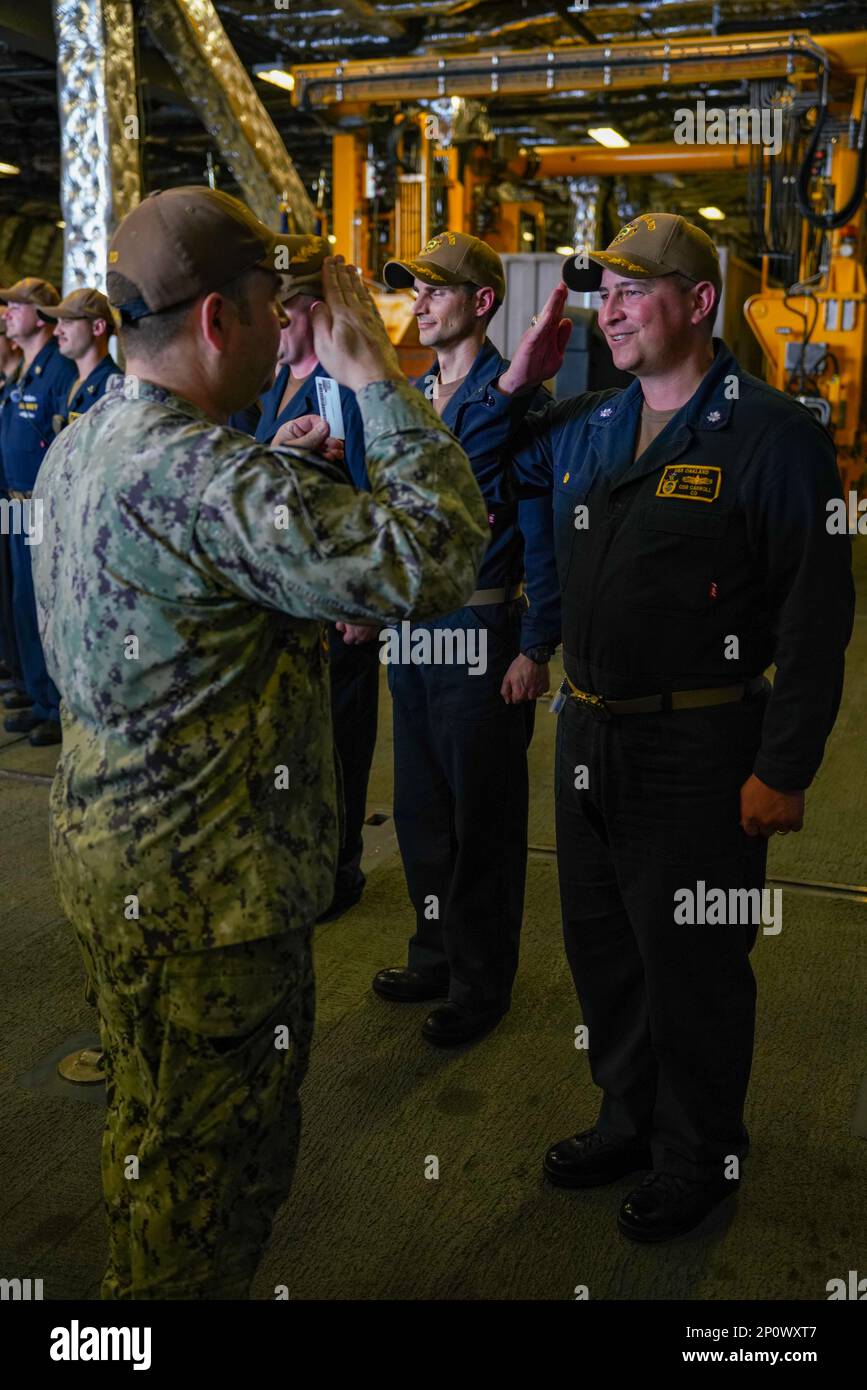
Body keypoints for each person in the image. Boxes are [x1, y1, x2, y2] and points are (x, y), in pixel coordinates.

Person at [30, 185, 489, 1299]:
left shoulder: (84, 448)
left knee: (149, 1131)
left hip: (108, 866)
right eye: (270, 310)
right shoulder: (217, 480)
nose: (289, 331)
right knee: (215, 1190)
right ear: (218, 323)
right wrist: (377, 376)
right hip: (212, 901)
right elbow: (436, 554)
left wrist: (281, 474)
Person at [478, 211, 855, 1240]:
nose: (615, 307)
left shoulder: (775, 437)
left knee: (691, 959)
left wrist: (785, 764)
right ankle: (629, 1116)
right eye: (608, 290)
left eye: (639, 288)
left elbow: (817, 617)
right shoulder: (585, 424)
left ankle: (703, 1151)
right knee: (605, 949)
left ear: (701, 302)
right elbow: (474, 479)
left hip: (699, 749)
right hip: (590, 735)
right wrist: (516, 380)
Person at [372, 231, 560, 1046]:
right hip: (413, 628)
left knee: (480, 816)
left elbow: (541, 529)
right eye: (415, 290)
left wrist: (537, 644)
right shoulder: (413, 396)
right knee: (420, 809)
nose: (419, 303)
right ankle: (435, 950)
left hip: (484, 626)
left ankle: (481, 982)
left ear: (482, 302)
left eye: (436, 291)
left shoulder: (522, 401)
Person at [256, 235, 377, 922]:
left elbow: (368, 494)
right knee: (300, 745)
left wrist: (363, 600)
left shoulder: (340, 389)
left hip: (335, 602)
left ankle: (339, 868)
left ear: (312, 310)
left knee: (338, 741)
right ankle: (307, 858)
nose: (273, 324)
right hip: (291, 600)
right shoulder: (278, 381)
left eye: (283, 310)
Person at [0, 277, 76, 746]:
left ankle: (53, 701)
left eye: (15, 306)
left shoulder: (58, 370)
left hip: (38, 503)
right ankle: (33, 688)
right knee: (20, 596)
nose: (7, 313)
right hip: (14, 501)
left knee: (42, 599)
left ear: (41, 316)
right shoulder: (28, 370)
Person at [37, 287, 122, 425]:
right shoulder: (72, 383)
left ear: (98, 327)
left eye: (67, 321)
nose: (57, 331)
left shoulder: (116, 389)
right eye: (58, 322)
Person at [0, 310, 24, 703]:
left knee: (25, 586)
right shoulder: (15, 380)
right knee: (10, 581)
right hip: (10, 497)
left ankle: (33, 684)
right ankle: (19, 671)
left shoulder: (30, 376)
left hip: (25, 500)